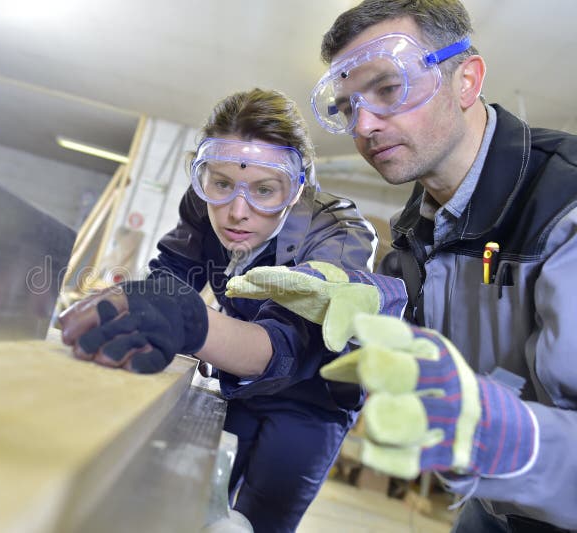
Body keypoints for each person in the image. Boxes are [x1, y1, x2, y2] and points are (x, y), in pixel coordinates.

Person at [58, 88, 406, 532]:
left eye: (265, 190)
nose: (236, 211)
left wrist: (191, 323)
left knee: (262, 520)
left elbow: (285, 347)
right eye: (221, 184)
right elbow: (175, 272)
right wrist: (147, 306)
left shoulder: (339, 234)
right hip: (240, 382)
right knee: (199, 499)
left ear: (297, 188)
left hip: (314, 399)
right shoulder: (205, 204)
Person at [303, 1, 577, 531]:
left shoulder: (564, 207)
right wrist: (371, 311)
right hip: (491, 502)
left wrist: (510, 439)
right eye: (347, 107)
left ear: (466, 81)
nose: (364, 125)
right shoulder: (415, 227)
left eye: (388, 89)